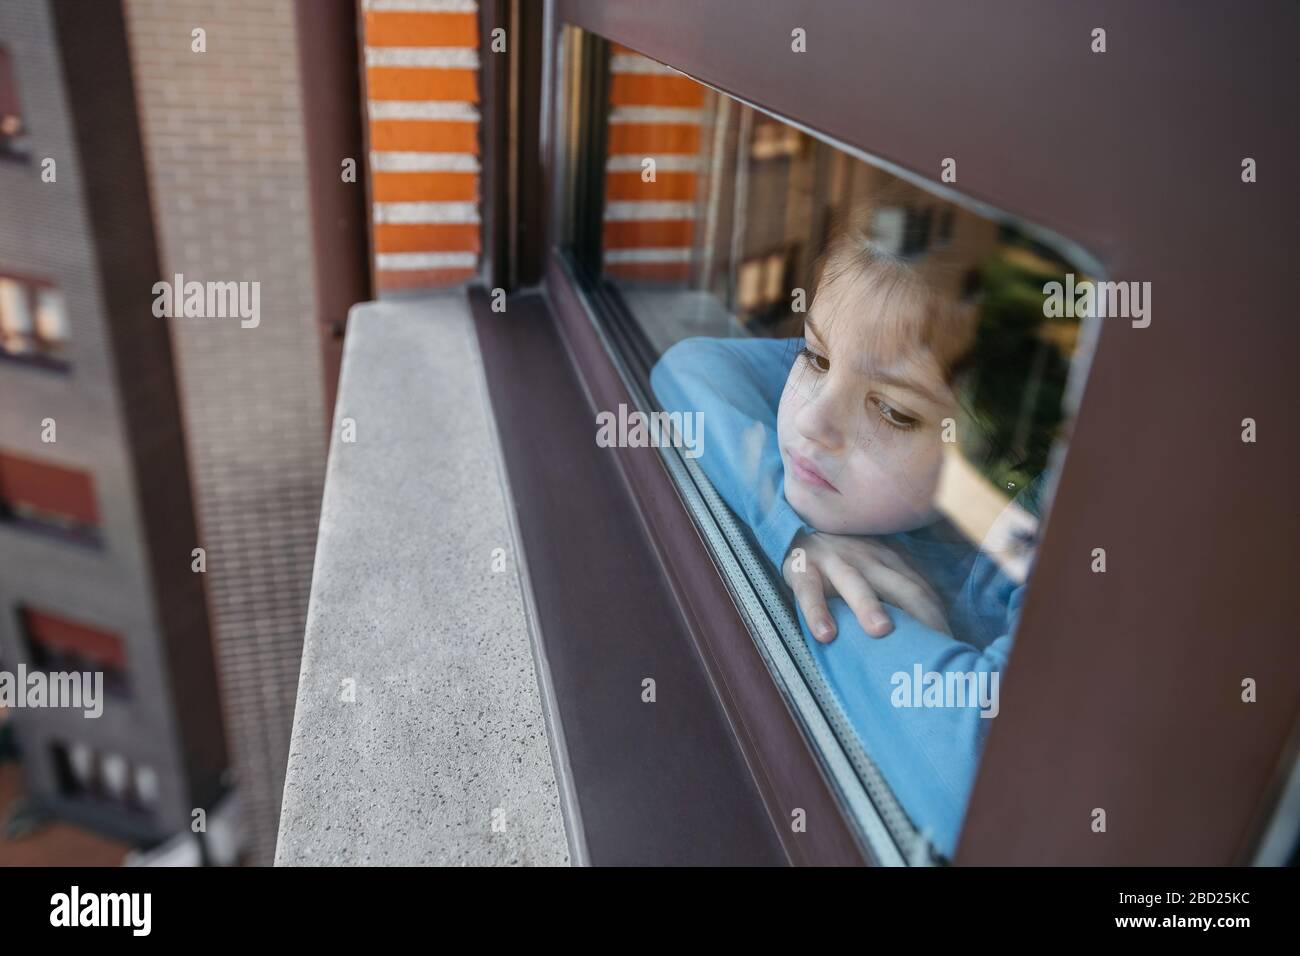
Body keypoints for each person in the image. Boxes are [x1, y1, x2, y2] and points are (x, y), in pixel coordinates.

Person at [650, 220, 1030, 858]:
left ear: (990, 454)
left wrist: (836, 596)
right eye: (813, 356)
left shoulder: (1019, 551)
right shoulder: (843, 389)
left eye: (894, 411)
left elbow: (974, 782)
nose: (811, 418)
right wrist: (796, 533)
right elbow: (687, 369)